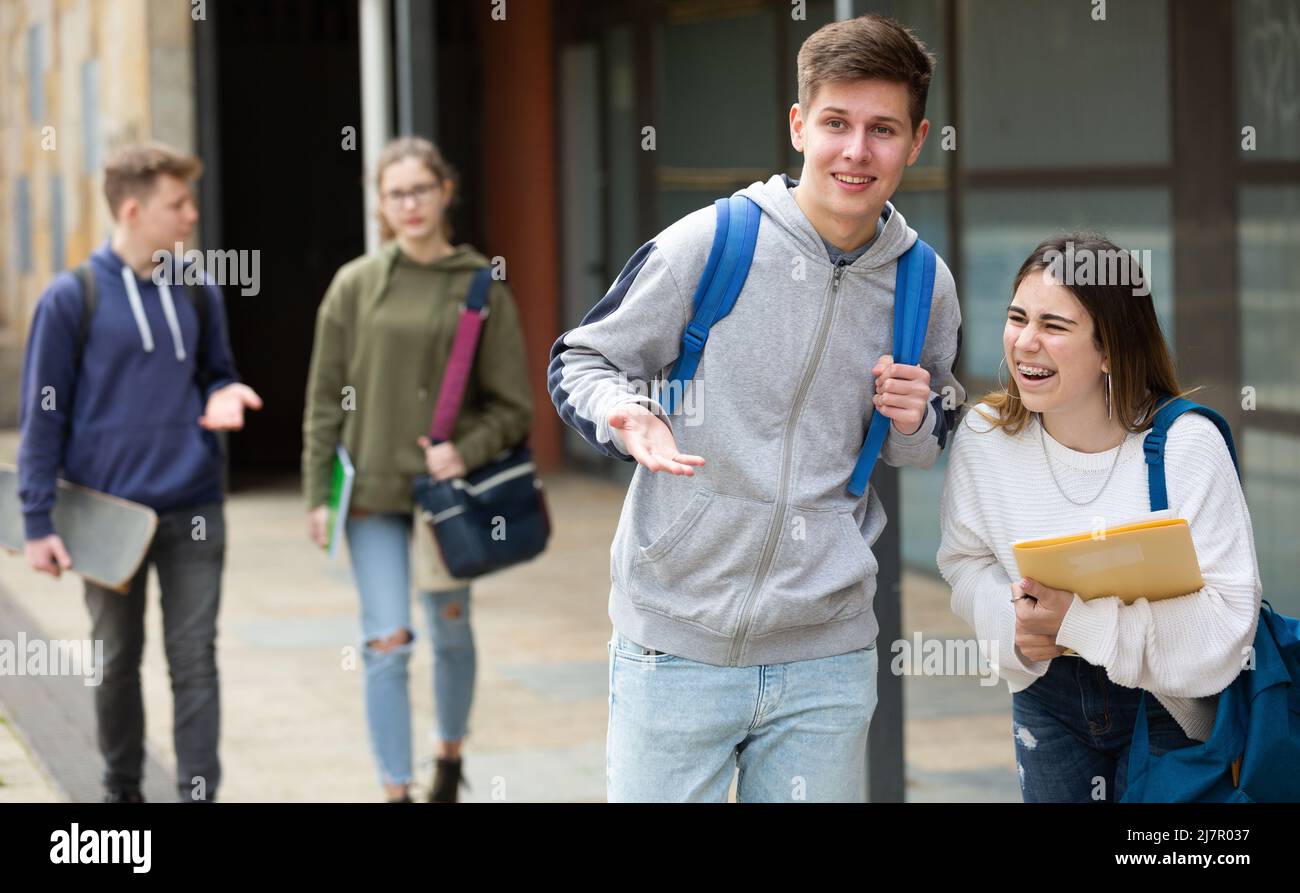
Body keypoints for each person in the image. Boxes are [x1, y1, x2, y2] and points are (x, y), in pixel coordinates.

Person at [548, 14, 965, 802]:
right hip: (675, 643)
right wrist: (624, 414)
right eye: (837, 123)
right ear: (800, 124)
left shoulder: (923, 282)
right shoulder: (711, 243)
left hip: (825, 656)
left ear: (916, 142)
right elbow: (583, 357)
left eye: (883, 130)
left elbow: (924, 438)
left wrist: (920, 414)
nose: (856, 151)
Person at [937, 232, 1261, 802]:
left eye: (1055, 327)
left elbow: (1229, 626)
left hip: (1167, 702)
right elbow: (965, 562)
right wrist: (1013, 625)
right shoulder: (984, 439)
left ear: (1110, 348)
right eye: (1018, 318)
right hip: (1046, 695)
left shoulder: (1187, 445)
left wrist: (1077, 621)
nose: (1025, 343)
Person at [19, 141, 263, 803]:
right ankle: (121, 789)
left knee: (194, 661)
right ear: (133, 209)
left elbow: (218, 371)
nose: (190, 216)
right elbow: (43, 415)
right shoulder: (73, 298)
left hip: (194, 507)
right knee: (116, 661)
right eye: (176, 204)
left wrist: (224, 393)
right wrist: (37, 520)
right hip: (107, 519)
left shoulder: (198, 288)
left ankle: (197, 793)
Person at [302, 136, 533, 803]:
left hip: (446, 496)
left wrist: (467, 447)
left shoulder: (480, 283)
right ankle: (396, 790)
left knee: (450, 627)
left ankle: (450, 754)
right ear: (380, 203)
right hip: (371, 490)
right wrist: (319, 490)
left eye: (420, 190)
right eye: (395, 193)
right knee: (387, 643)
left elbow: (514, 406)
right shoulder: (356, 284)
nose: (409, 204)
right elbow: (324, 398)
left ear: (445, 192)